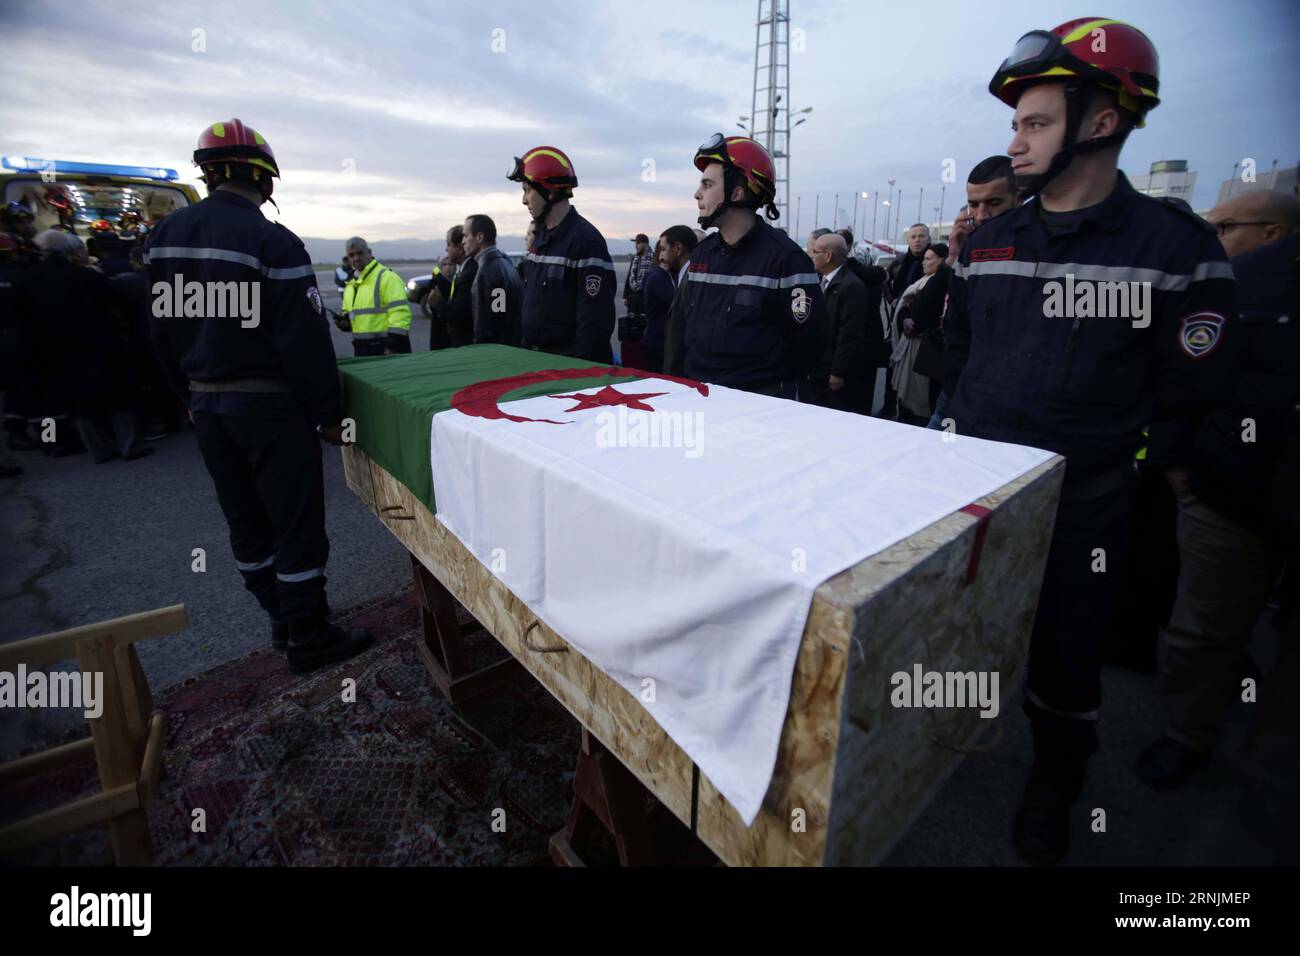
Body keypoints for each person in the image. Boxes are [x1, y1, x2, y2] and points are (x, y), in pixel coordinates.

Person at [943, 20, 1236, 864]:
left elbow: (1196, 386)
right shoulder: (992, 239)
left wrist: (1141, 464)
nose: (1016, 140)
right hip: (979, 492)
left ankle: (1056, 785)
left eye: (1035, 123)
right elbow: (961, 349)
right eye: (1016, 124)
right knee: (958, 631)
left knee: (1067, 659)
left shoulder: (1176, 249)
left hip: (1086, 507)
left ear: (1101, 121)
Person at [145, 117, 372, 674]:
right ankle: (309, 636)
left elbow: (158, 331)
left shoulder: (164, 238)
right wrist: (327, 413)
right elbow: (303, 337)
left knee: (245, 521)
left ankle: (279, 619)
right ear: (265, 179)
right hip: (269, 409)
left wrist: (186, 397)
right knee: (294, 522)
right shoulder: (272, 240)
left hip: (208, 406)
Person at [1136, 191, 1300, 794]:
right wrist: (1176, 463)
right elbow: (1182, 372)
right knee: (1202, 624)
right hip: (1229, 486)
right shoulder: (1238, 283)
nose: (1215, 235)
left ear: (1273, 230)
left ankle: (1271, 758)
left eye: (1226, 226)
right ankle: (1188, 733)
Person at [673, 134, 827, 399]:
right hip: (699, 397)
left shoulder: (786, 260)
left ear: (738, 191)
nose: (697, 194)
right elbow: (679, 329)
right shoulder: (701, 255)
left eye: (708, 184)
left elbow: (809, 345)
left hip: (758, 407)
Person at [509, 145, 615, 362]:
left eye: (527, 190)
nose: (524, 200)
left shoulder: (586, 242)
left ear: (550, 190)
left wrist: (576, 376)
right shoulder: (540, 238)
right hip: (537, 362)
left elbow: (593, 325)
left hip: (568, 370)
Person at [810, 233, 870, 413]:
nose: (811, 255)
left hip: (833, 372)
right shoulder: (824, 280)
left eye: (815, 251)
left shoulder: (851, 287)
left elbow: (850, 334)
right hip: (820, 366)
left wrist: (838, 372)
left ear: (828, 256)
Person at [339, 236, 412, 356]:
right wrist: (346, 323)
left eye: (360, 253)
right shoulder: (351, 285)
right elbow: (355, 317)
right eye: (351, 255)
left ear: (369, 253)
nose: (356, 258)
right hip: (361, 348)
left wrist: (393, 345)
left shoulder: (386, 277)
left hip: (386, 349)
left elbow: (400, 313)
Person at [462, 213, 522, 345]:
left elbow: (491, 322)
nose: (463, 242)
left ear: (479, 237)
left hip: (498, 352)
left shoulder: (488, 271)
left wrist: (482, 347)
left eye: (466, 236)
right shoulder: (505, 264)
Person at [644, 227, 695, 373]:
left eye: (663, 250)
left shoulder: (691, 278)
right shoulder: (680, 276)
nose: (660, 257)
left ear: (678, 248)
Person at [621, 232, 654, 367]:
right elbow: (630, 276)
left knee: (644, 323)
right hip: (633, 296)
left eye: (638, 243)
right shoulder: (636, 259)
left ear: (644, 243)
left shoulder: (653, 258)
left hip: (645, 296)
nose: (636, 246)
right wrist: (625, 295)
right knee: (632, 324)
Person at [887, 224, 931, 302]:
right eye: (913, 237)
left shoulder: (936, 262)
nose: (917, 240)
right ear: (908, 241)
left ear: (929, 239)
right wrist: (892, 299)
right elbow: (885, 279)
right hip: (901, 311)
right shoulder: (899, 261)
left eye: (921, 236)